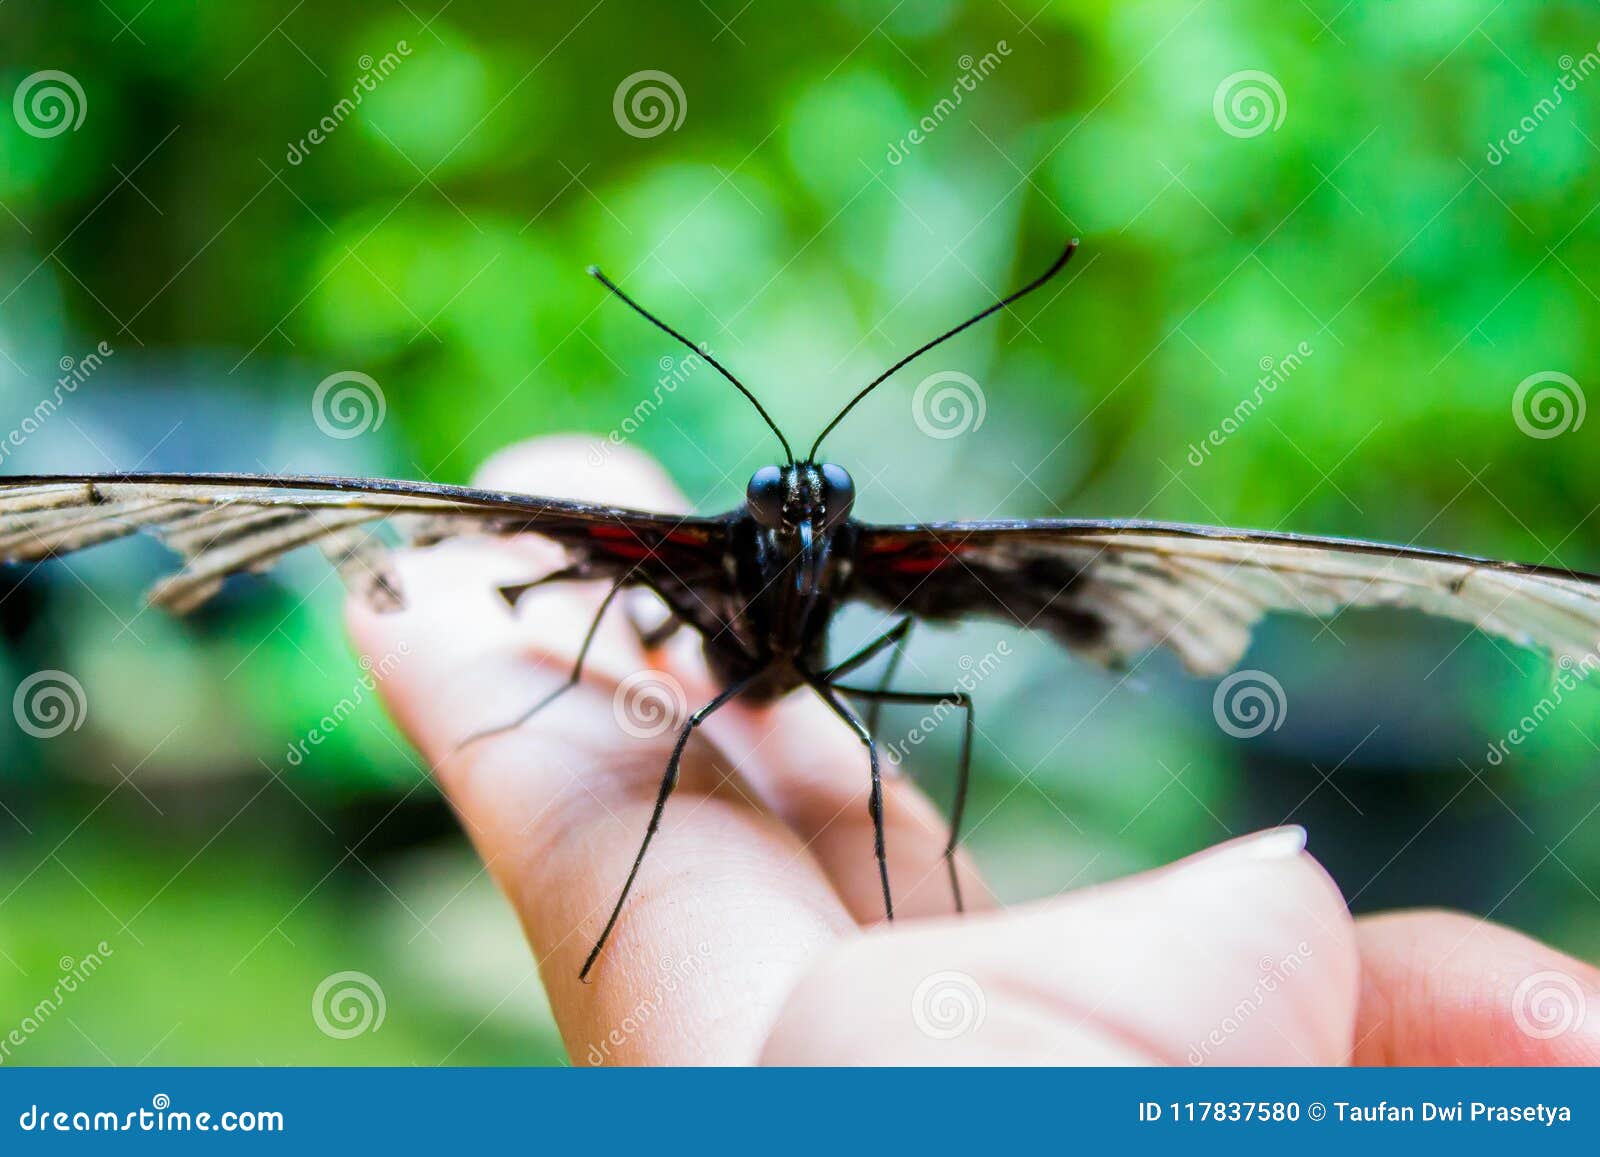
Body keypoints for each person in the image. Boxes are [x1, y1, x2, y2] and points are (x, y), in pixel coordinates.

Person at [348, 436, 1600, 1065]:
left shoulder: (881, 556)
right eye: (784, 506)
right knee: (623, 669)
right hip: (718, 658)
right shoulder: (702, 552)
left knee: (925, 701)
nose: (806, 523)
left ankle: (915, 907)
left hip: (793, 686)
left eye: (824, 507)